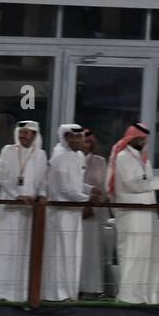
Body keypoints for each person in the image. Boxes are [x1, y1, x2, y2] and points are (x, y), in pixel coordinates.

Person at [109, 122, 159, 305]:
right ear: (131, 138)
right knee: (133, 255)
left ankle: (150, 296)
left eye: (144, 138)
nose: (142, 141)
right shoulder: (122, 157)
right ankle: (129, 296)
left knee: (151, 256)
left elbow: (146, 183)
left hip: (147, 215)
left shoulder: (143, 158)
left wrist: (158, 181)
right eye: (139, 137)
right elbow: (133, 185)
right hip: (131, 216)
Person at [0, 120, 48, 303]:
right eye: (21, 132)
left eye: (27, 133)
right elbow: (1, 177)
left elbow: (43, 181)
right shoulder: (8, 150)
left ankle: (21, 293)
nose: (23, 136)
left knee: (24, 250)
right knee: (5, 249)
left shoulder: (41, 155)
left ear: (34, 135)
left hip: (29, 212)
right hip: (9, 208)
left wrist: (42, 196)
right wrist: (17, 195)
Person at [42, 123, 94, 302]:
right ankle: (56, 295)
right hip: (60, 213)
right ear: (66, 138)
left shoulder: (79, 155)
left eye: (81, 137)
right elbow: (65, 190)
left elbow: (76, 185)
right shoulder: (59, 157)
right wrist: (88, 199)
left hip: (74, 212)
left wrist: (91, 190)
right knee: (59, 254)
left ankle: (70, 292)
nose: (79, 140)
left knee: (72, 253)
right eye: (75, 137)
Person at [79, 129, 110, 297]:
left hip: (94, 214)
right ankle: (75, 286)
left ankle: (93, 288)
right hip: (76, 211)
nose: (85, 144)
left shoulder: (100, 161)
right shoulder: (71, 159)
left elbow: (103, 188)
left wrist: (97, 201)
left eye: (88, 141)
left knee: (93, 251)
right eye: (83, 141)